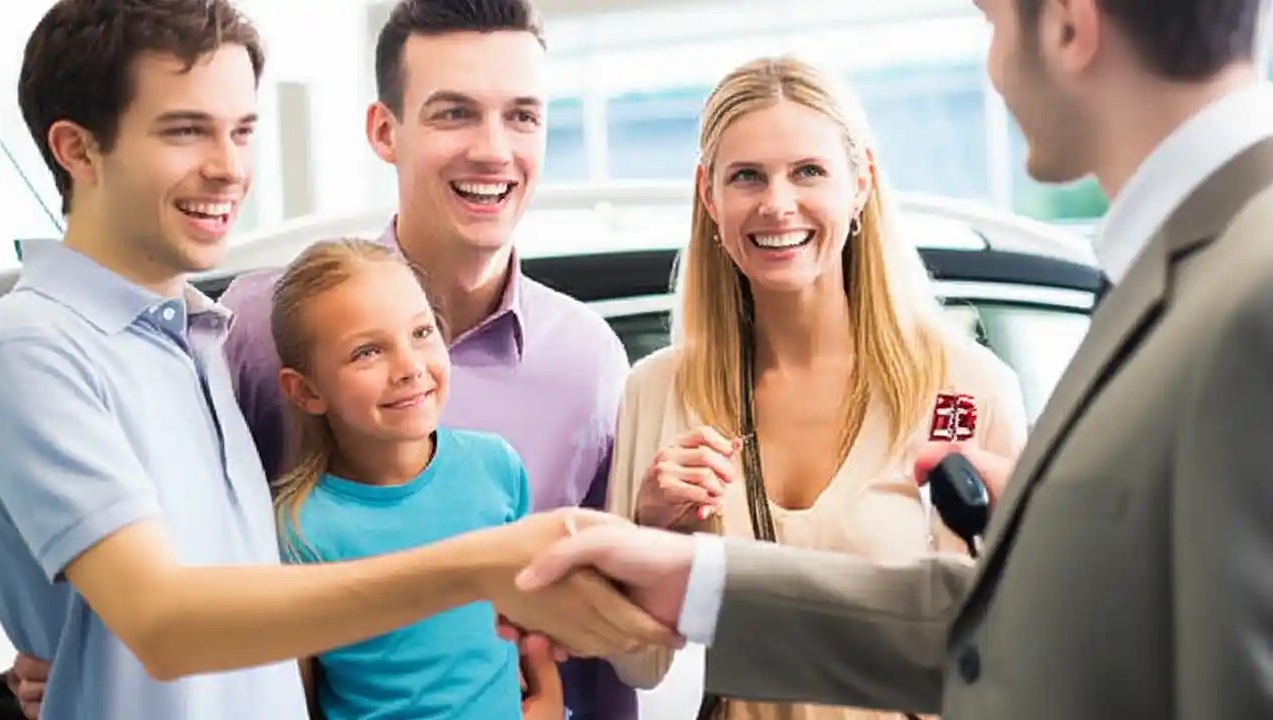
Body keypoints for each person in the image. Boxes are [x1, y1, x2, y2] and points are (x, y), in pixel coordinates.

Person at [514, 0, 1273, 717]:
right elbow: (1008, 620)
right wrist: (678, 560)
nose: (994, 67)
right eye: (747, 175)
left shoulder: (1233, 292)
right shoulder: (1180, 276)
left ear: (1071, 25)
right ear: (708, 195)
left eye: (992, 21)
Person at [0, 2, 673, 719]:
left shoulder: (194, 337)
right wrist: (477, 564)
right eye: (186, 130)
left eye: (243, 131)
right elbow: (164, 623)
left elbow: (213, 598)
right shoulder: (118, 340)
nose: (229, 169)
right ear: (76, 150)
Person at [217, 1, 638, 717]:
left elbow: (597, 642)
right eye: (454, 114)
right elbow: (193, 566)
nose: (493, 150)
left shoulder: (589, 362)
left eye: (523, 116)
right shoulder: (261, 329)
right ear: (386, 131)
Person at [600, 56, 1027, 720]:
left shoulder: (969, 389)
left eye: (808, 172)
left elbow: (1012, 651)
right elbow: (637, 665)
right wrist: (650, 532)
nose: (777, 203)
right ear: (709, 196)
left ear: (861, 183)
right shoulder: (658, 391)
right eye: (747, 176)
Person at [268, 238, 563, 720]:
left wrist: (549, 696)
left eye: (421, 332)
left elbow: (528, 606)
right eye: (367, 352)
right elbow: (296, 700)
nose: (408, 367)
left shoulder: (495, 468)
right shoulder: (299, 530)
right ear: (304, 390)